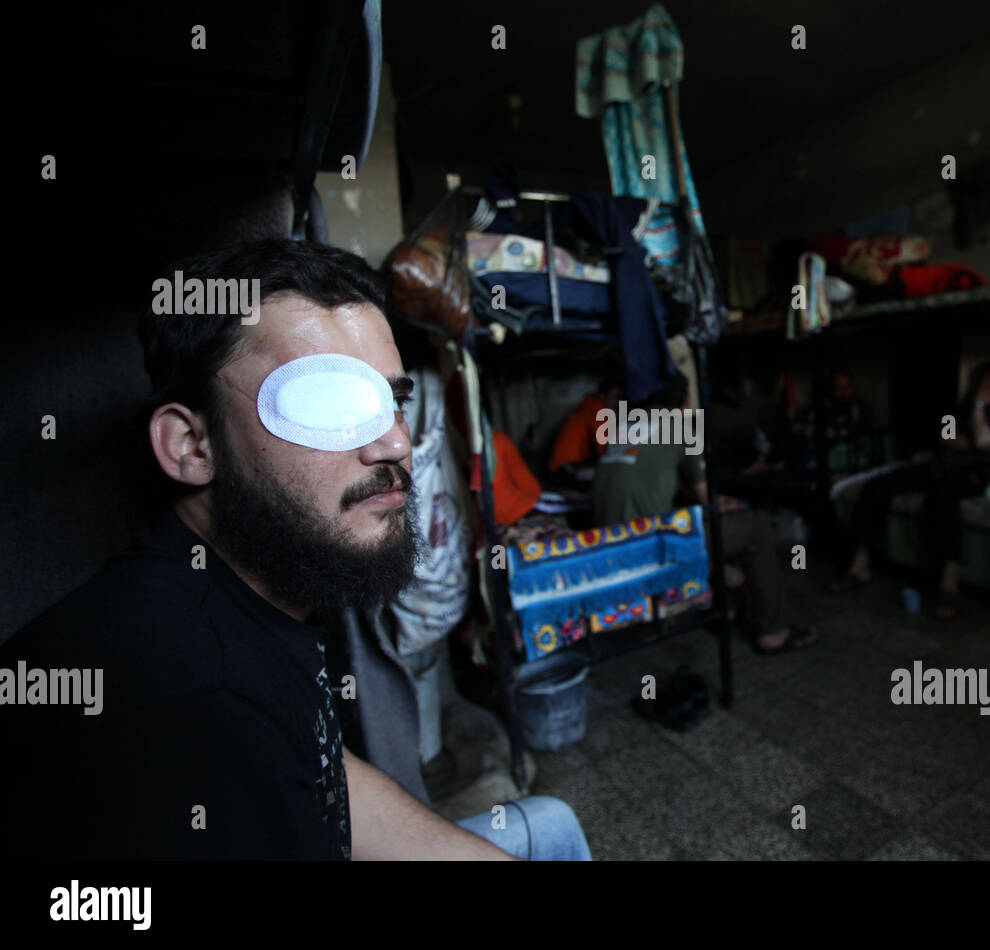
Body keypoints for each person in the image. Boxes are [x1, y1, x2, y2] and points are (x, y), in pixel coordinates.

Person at [0, 239, 589, 860]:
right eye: (330, 403)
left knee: (546, 823)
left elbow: (319, 769)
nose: (393, 443)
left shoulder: (250, 584)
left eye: (394, 401)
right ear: (191, 446)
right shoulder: (186, 718)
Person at [592, 374, 816, 655]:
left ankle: (731, 605)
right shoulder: (682, 427)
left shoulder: (623, 425)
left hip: (610, 543)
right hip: (649, 548)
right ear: (686, 401)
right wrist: (724, 504)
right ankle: (774, 631)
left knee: (721, 528)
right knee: (755, 526)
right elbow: (707, 498)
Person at [828, 357, 990, 619]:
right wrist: (982, 445)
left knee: (943, 497)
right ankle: (859, 565)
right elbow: (944, 436)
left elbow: (982, 439)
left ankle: (949, 583)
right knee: (880, 485)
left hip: (977, 474)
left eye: (987, 385)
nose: (980, 390)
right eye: (980, 385)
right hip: (940, 465)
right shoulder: (964, 412)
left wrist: (978, 418)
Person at [547, 374, 623, 477]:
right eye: (615, 397)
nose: (617, 402)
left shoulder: (588, 406)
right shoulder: (596, 412)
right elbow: (606, 452)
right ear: (602, 396)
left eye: (620, 398)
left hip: (559, 468)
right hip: (564, 471)